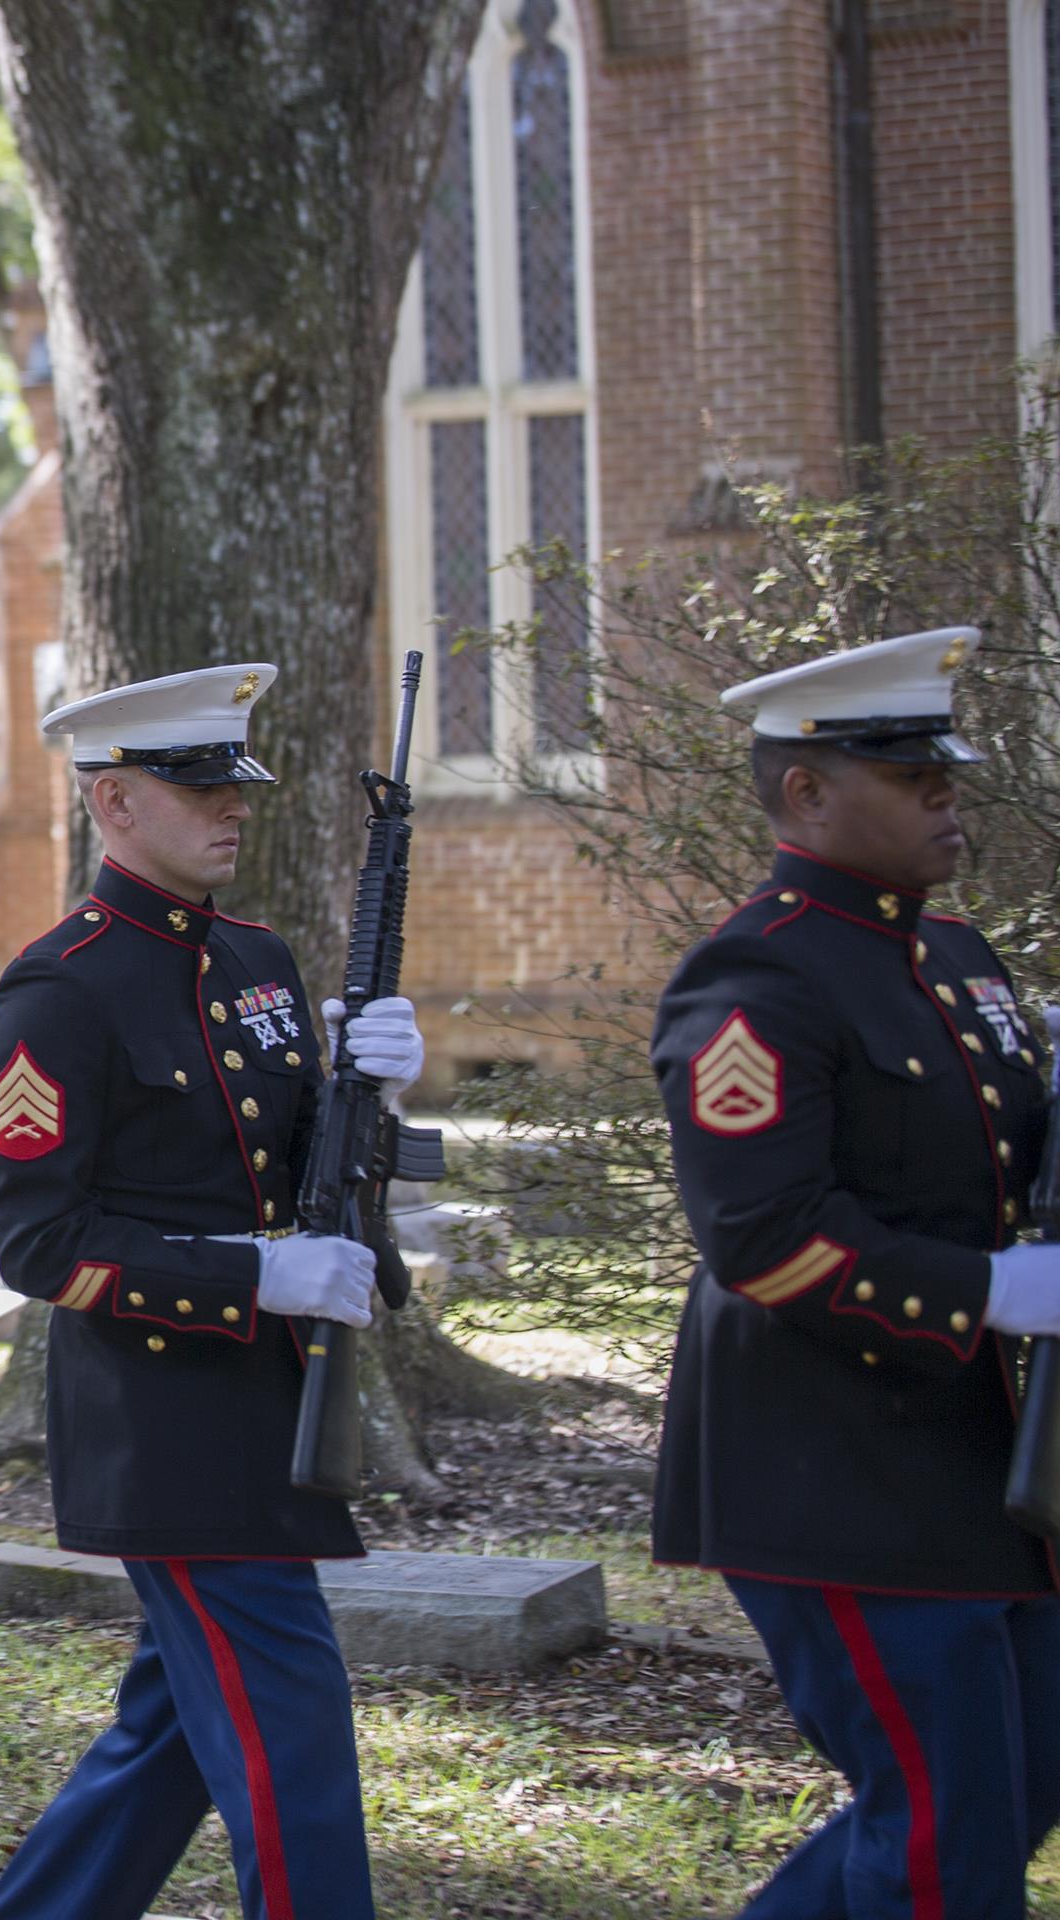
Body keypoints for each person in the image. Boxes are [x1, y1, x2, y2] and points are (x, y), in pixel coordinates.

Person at [0, 663, 426, 1920]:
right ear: (114, 803)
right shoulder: (62, 989)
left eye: (236, 783)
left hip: (262, 1408)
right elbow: (39, 1241)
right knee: (297, 1757)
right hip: (166, 1424)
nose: (231, 807)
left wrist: (374, 1096)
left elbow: (300, 1166)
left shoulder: (259, 959)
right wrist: (254, 1273)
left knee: (166, 1745)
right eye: (197, 784)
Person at [651, 627, 1058, 1917]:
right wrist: (992, 1293)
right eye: (906, 769)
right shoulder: (756, 973)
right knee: (946, 1838)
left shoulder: (958, 959)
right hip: (832, 1466)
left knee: (999, 1788)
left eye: (944, 764)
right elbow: (763, 1234)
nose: (946, 788)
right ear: (806, 793)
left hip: (971, 1457)